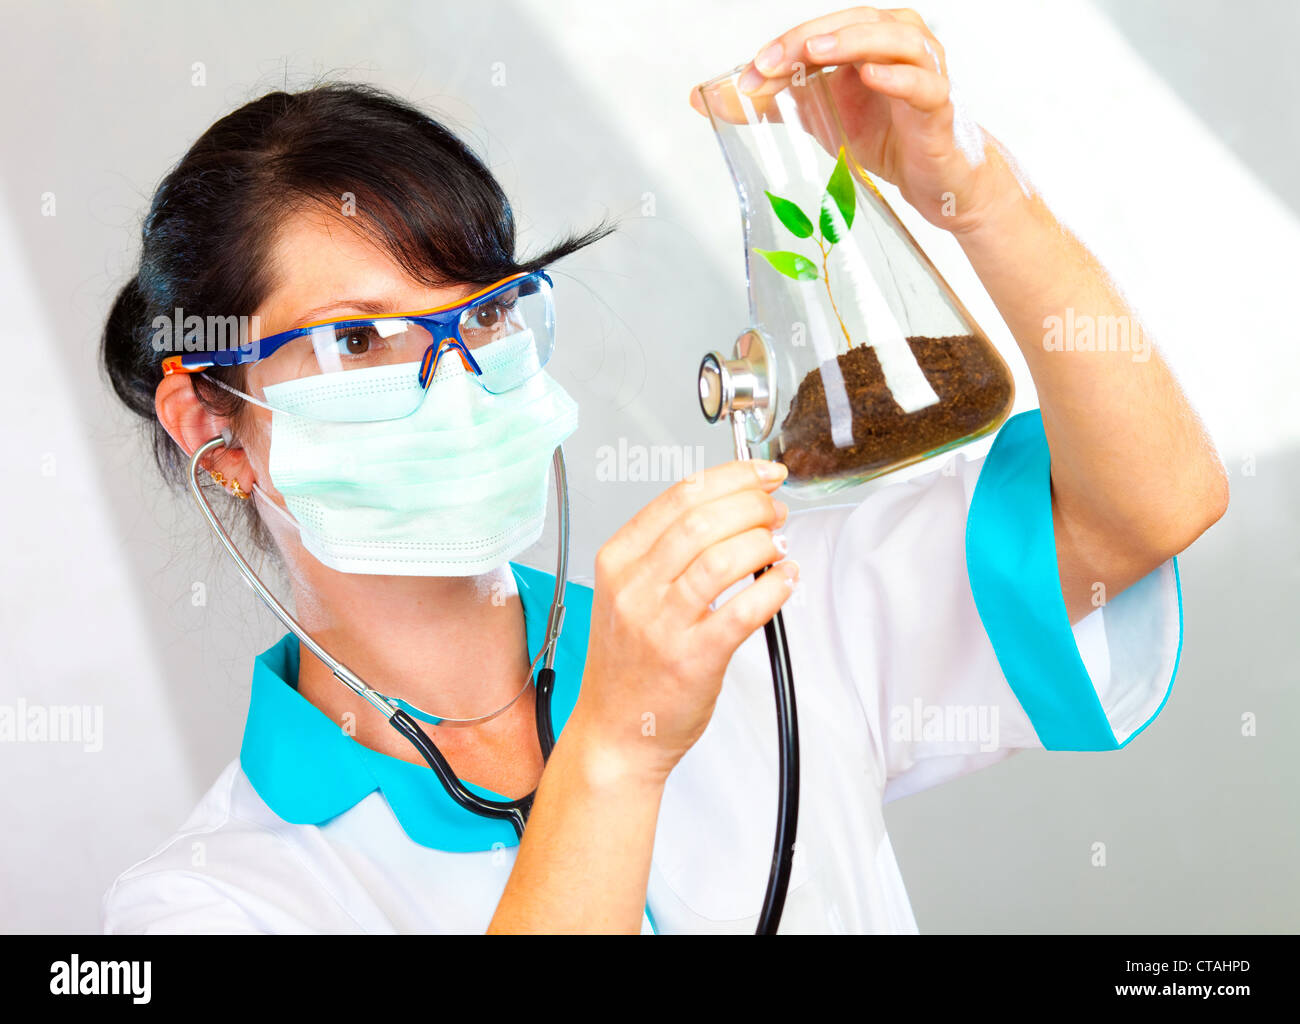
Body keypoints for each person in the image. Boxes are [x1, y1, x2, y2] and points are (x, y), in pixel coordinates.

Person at [100, 7, 1226, 934]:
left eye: (483, 315)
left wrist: (969, 188)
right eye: (357, 338)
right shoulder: (210, 902)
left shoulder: (758, 620)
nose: (453, 377)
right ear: (214, 425)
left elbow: (1149, 506)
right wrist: (615, 752)